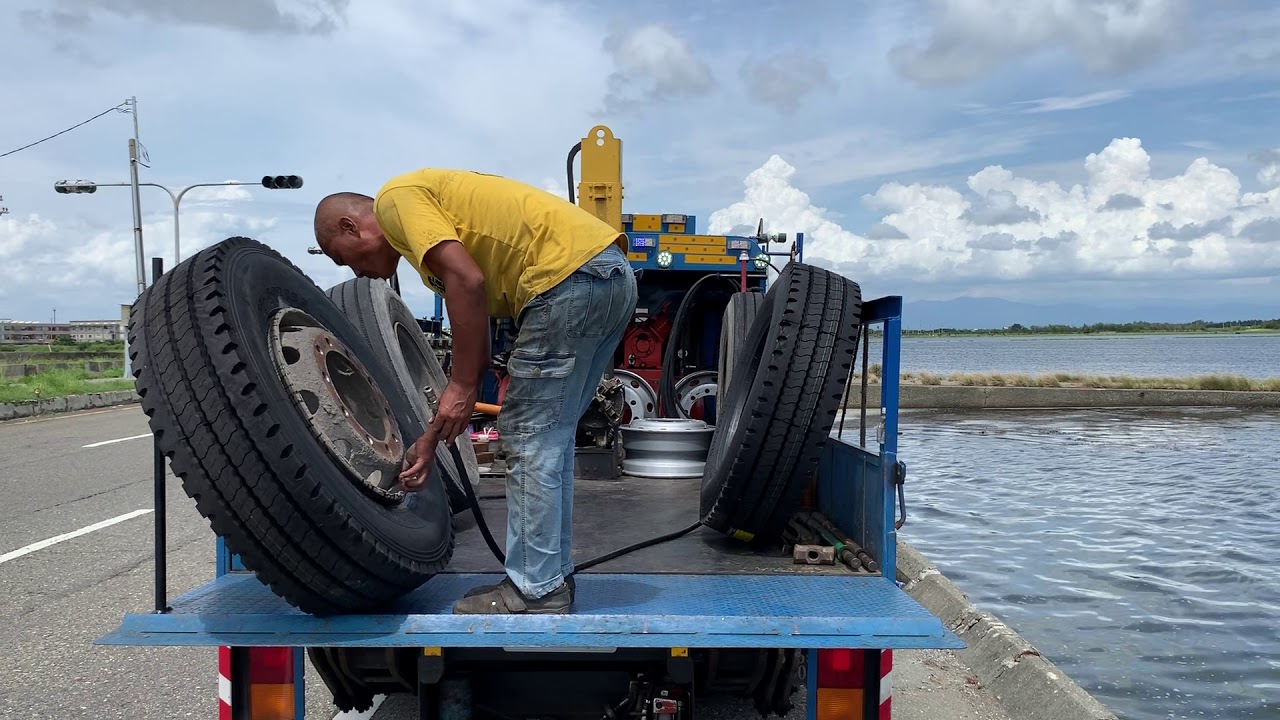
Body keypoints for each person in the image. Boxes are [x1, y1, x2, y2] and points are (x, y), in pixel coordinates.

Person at [313, 169, 637, 615]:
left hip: (568, 280)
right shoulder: (430, 251)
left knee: (529, 437)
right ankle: (549, 579)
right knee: (549, 439)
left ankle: (536, 591)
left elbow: (469, 282)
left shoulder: (395, 200)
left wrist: (463, 386)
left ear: (352, 226)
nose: (354, 271)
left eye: (342, 257)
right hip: (605, 276)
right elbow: (475, 338)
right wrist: (430, 440)